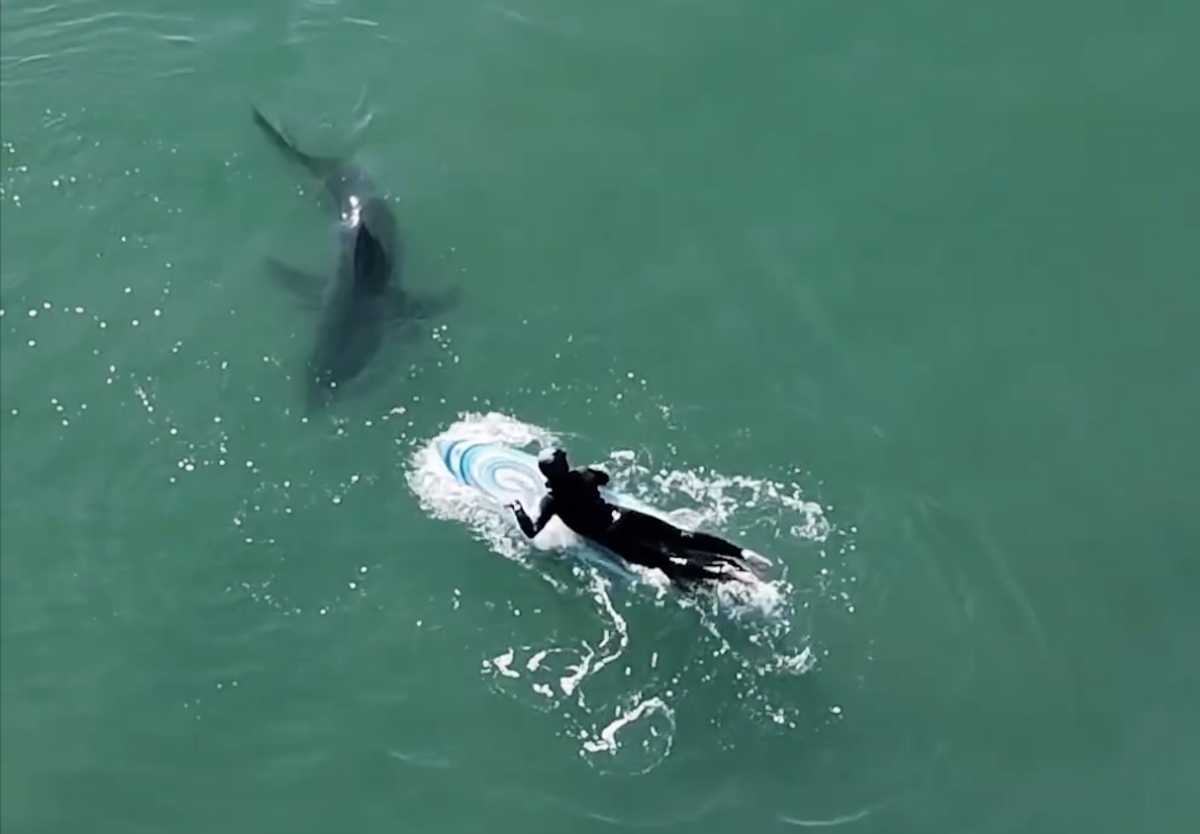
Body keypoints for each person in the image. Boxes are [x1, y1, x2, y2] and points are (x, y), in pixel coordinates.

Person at [508, 447, 769, 588]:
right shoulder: (585, 474)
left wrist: (518, 508)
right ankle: (742, 553)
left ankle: (725, 575)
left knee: (663, 560)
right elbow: (604, 478)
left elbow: (532, 531)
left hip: (610, 536)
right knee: (680, 536)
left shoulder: (551, 501)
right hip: (625, 516)